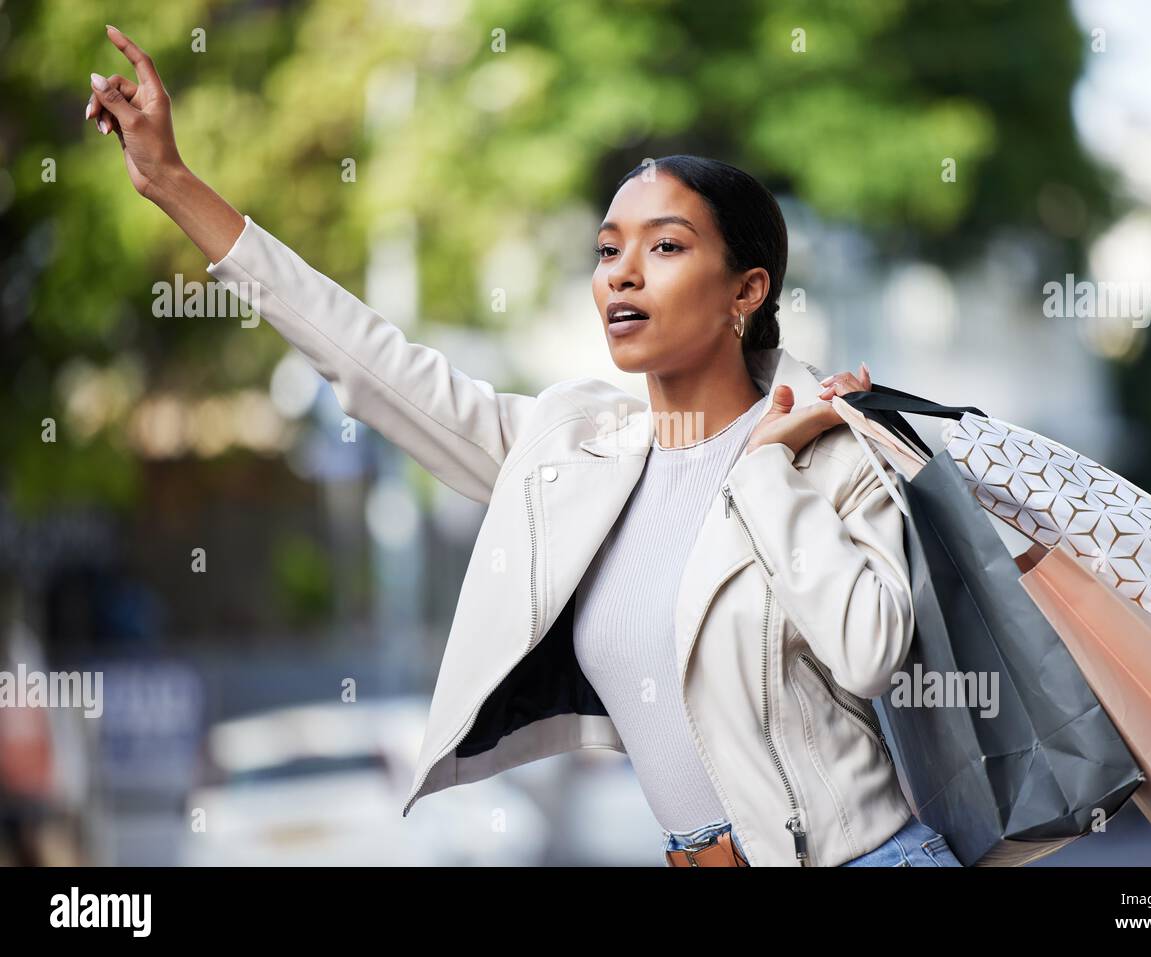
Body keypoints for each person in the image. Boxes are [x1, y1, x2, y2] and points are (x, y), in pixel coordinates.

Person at [85, 25, 962, 868]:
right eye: (608, 248)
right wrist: (170, 180)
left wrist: (768, 463)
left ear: (747, 289)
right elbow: (369, 362)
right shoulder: (574, 454)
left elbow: (869, 649)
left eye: (665, 246)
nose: (621, 271)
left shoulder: (830, 448)